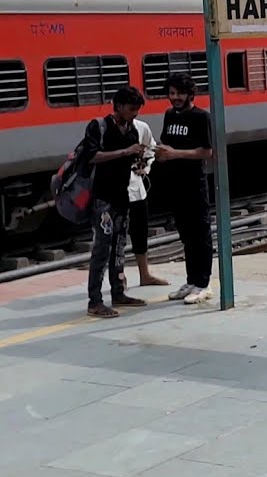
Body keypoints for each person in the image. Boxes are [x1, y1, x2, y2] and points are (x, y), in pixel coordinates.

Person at [81, 86, 149, 318]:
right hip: (103, 198)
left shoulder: (131, 130)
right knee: (102, 248)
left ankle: (118, 291)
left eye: (137, 110)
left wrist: (138, 163)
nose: (135, 114)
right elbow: (91, 157)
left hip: (122, 196)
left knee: (119, 246)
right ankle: (95, 300)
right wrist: (124, 152)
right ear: (118, 106)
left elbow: (129, 159)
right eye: (131, 109)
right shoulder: (99, 127)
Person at [155, 72, 215, 305]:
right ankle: (191, 281)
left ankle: (204, 284)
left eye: (179, 93)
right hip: (175, 183)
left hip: (194, 183)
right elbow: (167, 145)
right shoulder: (169, 115)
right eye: (171, 93)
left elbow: (206, 151)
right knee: (186, 234)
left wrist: (175, 154)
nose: (175, 97)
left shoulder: (201, 117)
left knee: (201, 234)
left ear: (190, 93)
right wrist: (158, 154)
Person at [128, 116, 169, 287]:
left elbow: (151, 149)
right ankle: (118, 277)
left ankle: (144, 274)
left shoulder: (141, 127)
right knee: (114, 236)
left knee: (140, 232)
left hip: (137, 190)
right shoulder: (106, 128)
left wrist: (145, 166)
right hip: (114, 192)